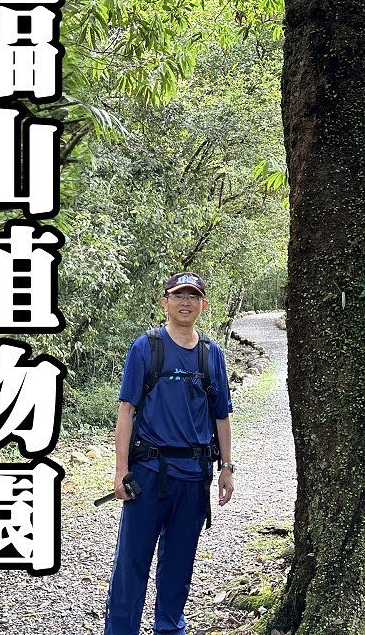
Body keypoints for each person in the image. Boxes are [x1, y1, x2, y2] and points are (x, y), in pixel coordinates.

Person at [104, 272, 235, 635]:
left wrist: (226, 468)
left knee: (179, 565)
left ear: (203, 305)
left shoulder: (212, 354)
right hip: (147, 474)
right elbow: (126, 410)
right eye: (178, 295)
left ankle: (170, 628)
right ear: (165, 302)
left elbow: (221, 415)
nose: (185, 302)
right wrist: (120, 472)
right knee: (132, 563)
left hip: (194, 477)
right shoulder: (145, 348)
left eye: (193, 296)